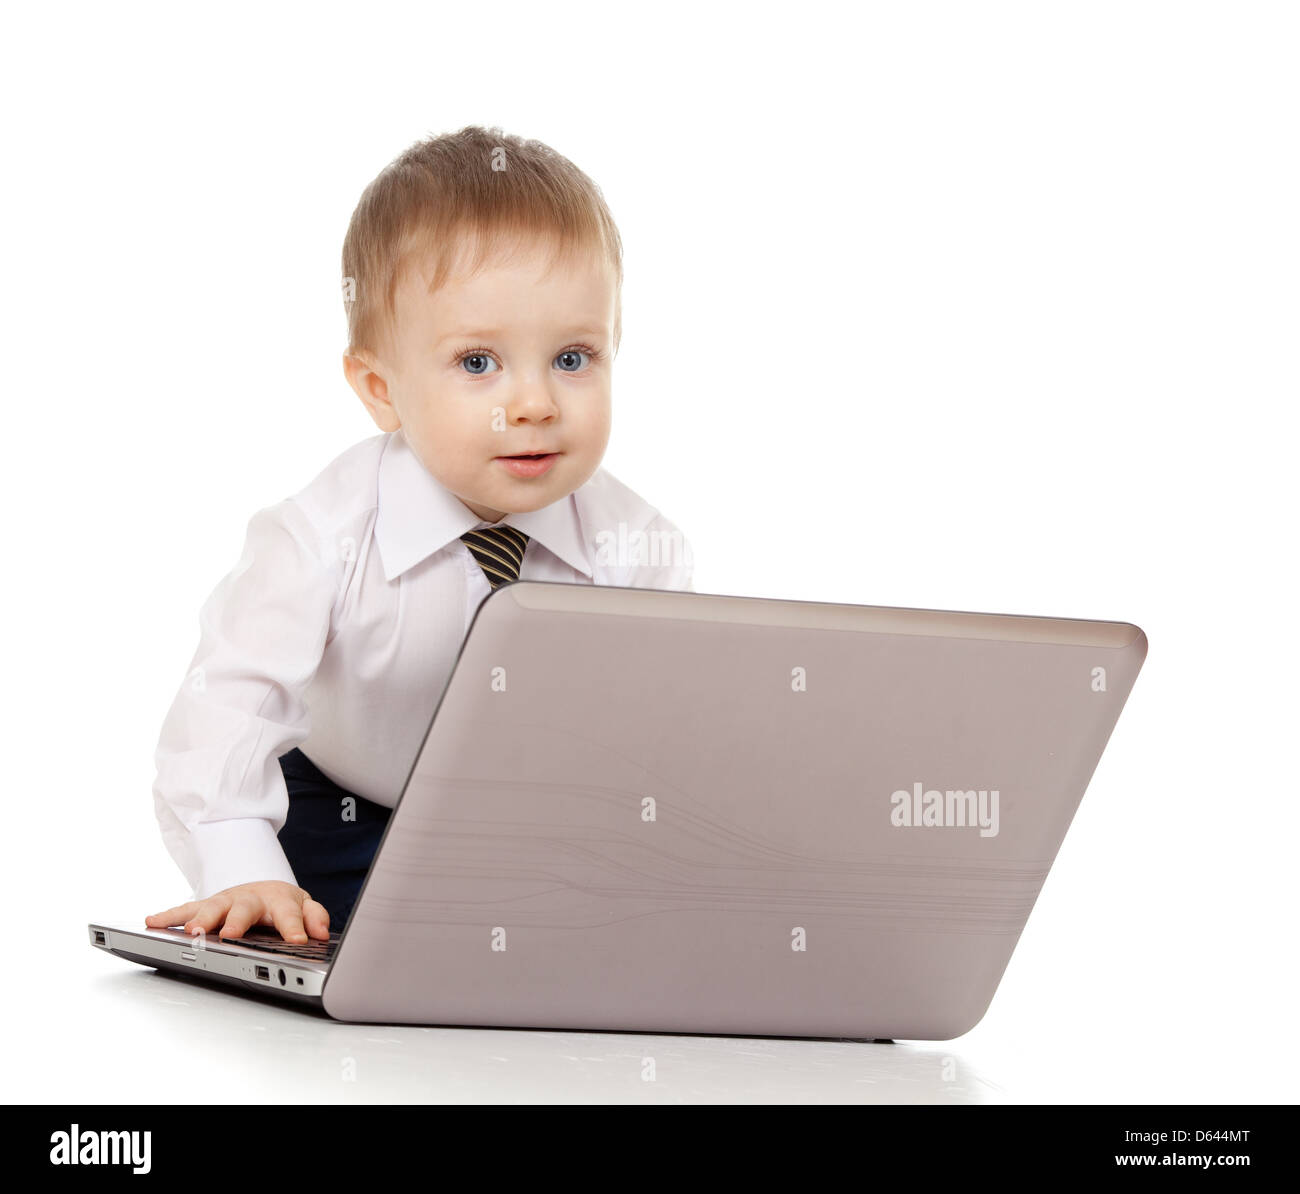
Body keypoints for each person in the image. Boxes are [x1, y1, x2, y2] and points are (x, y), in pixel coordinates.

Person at [145, 126, 694, 946]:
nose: (536, 402)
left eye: (574, 358)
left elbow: (667, 725)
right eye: (479, 364)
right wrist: (241, 867)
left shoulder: (639, 545)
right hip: (336, 821)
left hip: (527, 836)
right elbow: (230, 702)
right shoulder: (320, 536)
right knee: (328, 940)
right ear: (381, 389)